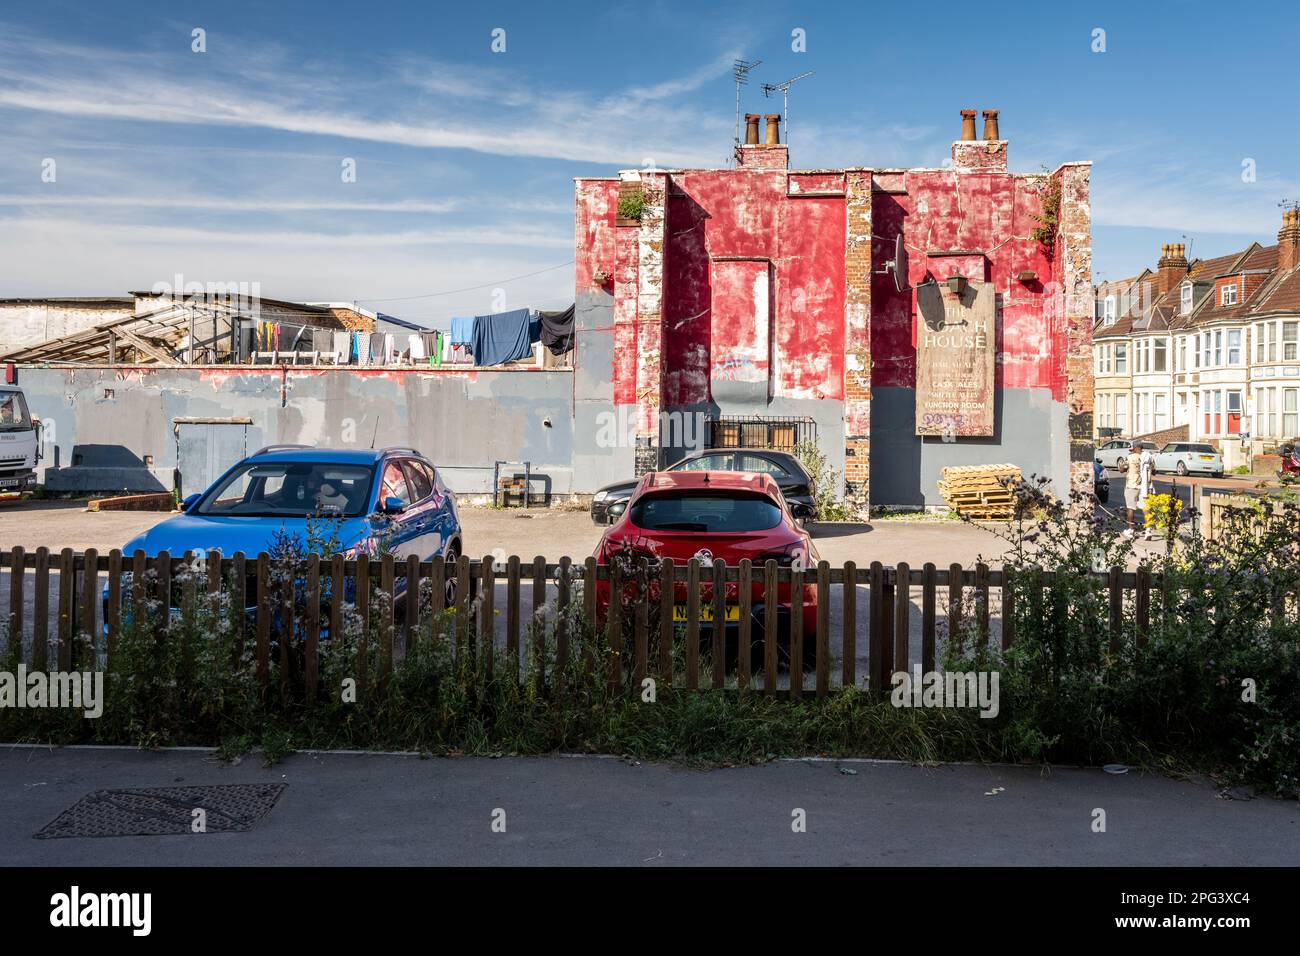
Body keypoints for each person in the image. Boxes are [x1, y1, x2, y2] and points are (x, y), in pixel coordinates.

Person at [1123, 445, 1143, 535]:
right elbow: (1154, 471)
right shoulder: (1147, 457)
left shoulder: (1129, 457)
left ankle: (1131, 529)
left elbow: (1122, 469)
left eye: (1132, 450)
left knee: (1130, 508)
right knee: (1146, 508)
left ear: (1134, 449)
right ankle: (1148, 530)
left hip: (1132, 485)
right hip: (1144, 486)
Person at [1138, 446, 1155, 539]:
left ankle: (1147, 530)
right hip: (1150, 486)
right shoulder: (1150, 459)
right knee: (1148, 508)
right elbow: (1155, 471)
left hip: (1141, 487)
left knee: (1144, 509)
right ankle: (1149, 529)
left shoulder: (1138, 459)